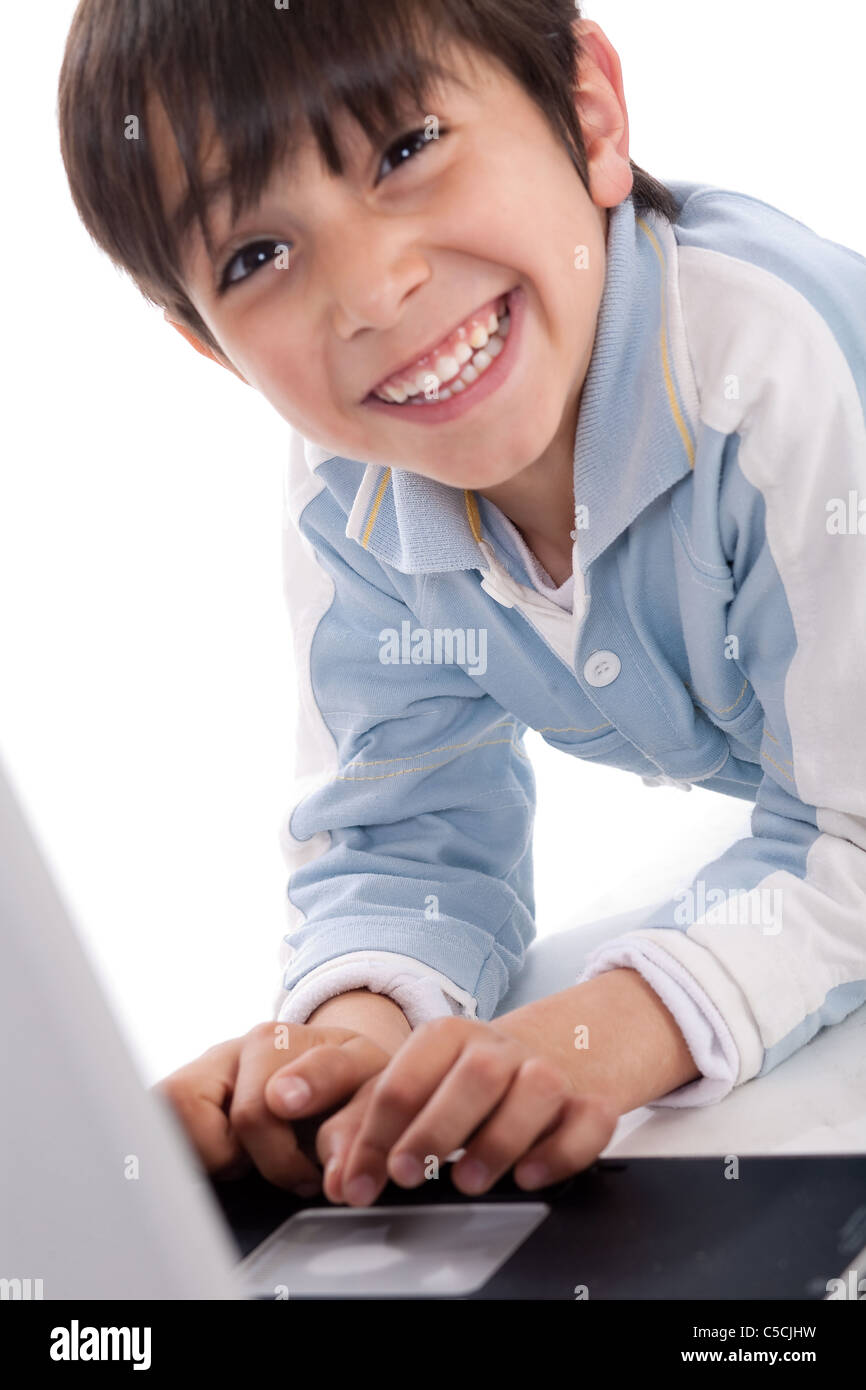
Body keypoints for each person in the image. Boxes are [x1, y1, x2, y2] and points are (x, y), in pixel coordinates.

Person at [57, 0, 866, 1209]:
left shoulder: (779, 370)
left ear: (585, 113)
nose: (373, 293)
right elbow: (403, 832)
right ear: (210, 348)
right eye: (254, 257)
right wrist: (350, 1046)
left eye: (402, 149)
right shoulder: (355, 492)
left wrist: (599, 1031)